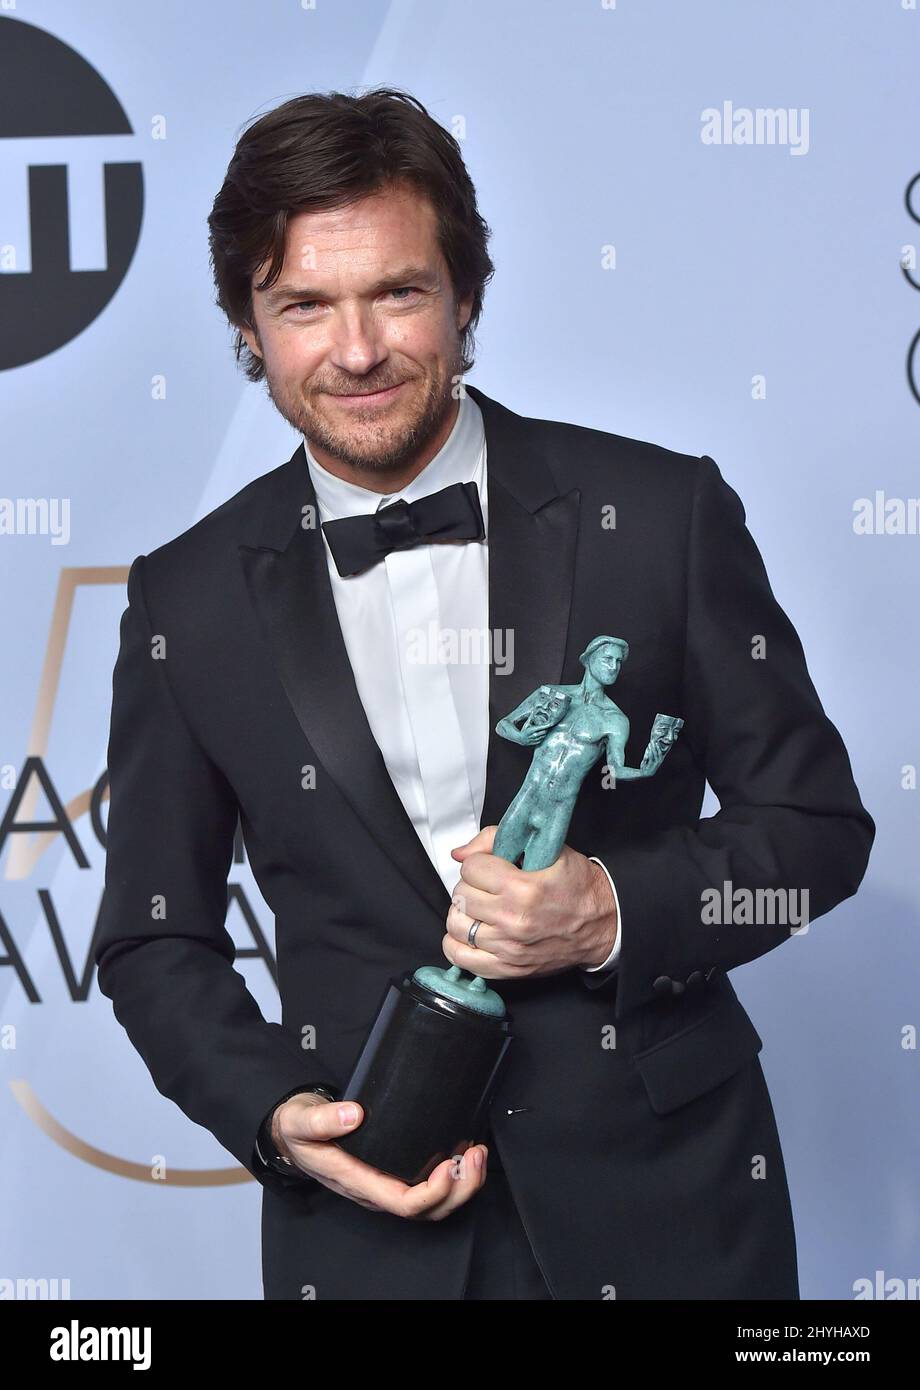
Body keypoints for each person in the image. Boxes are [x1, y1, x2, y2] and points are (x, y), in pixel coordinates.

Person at [95, 88, 874, 1300]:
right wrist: (276, 1114)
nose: (354, 351)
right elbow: (153, 935)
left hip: (672, 1207)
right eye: (303, 304)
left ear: (466, 298)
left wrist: (613, 906)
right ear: (248, 327)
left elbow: (818, 833)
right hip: (369, 1225)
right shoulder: (182, 598)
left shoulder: (657, 516)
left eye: (398, 292)